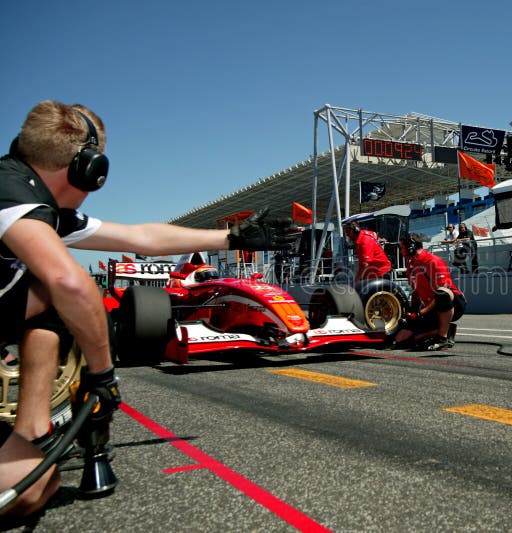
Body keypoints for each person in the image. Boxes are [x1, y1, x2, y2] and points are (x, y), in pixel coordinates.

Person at [0, 100, 296, 517]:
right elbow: (71, 282)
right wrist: (104, 376)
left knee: (48, 298)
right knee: (34, 489)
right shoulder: (11, 192)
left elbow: (141, 237)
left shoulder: (43, 206)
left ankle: (33, 429)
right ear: (90, 168)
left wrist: (231, 240)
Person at [392, 234, 466, 351]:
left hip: (452, 303)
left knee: (442, 293)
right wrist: (412, 313)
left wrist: (421, 313)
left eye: (402, 247)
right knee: (402, 340)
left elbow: (443, 290)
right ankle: (446, 329)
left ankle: (442, 338)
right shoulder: (411, 265)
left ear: (411, 247)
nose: (401, 251)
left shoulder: (433, 261)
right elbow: (416, 292)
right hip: (430, 308)